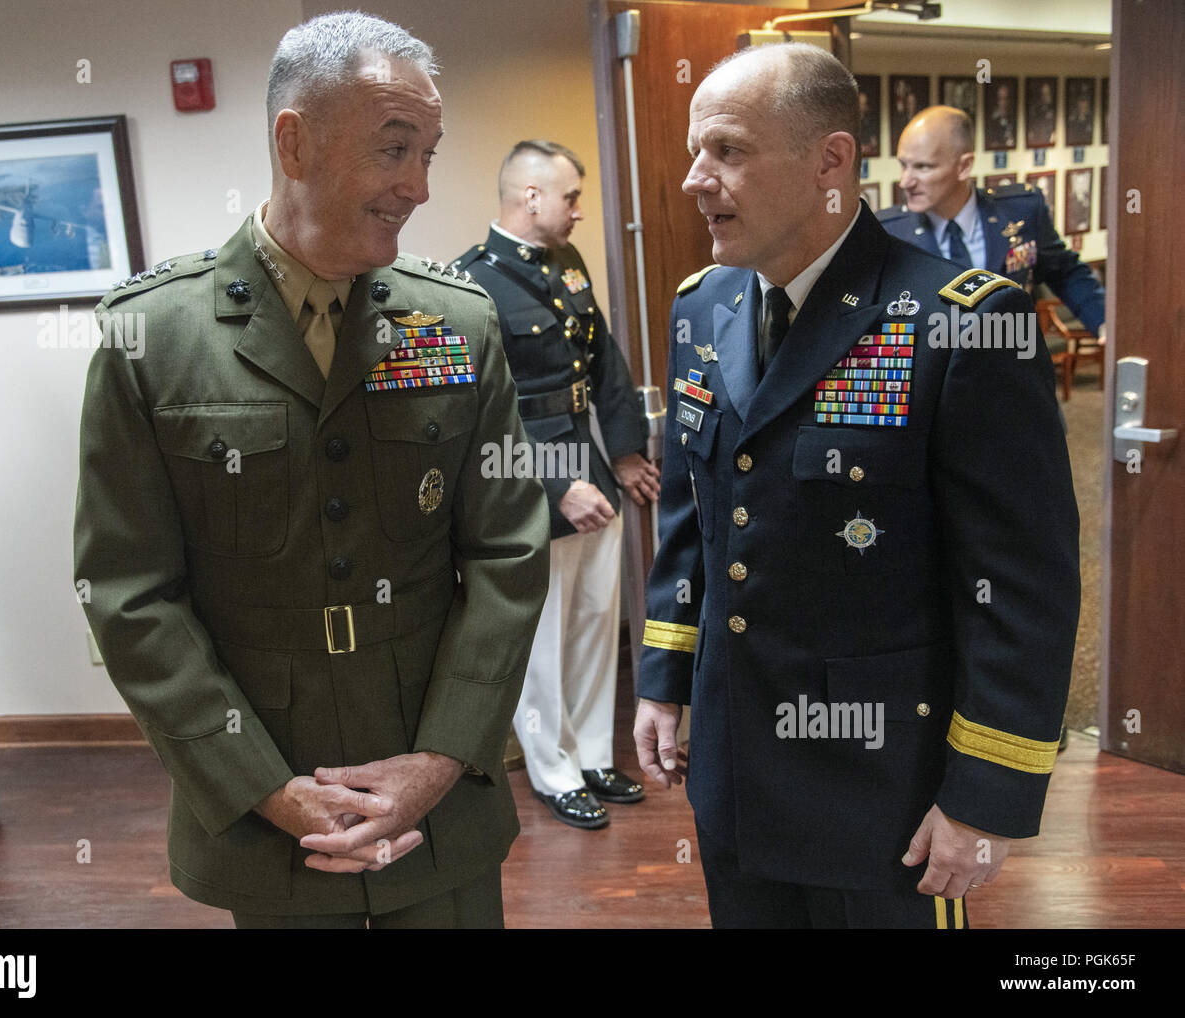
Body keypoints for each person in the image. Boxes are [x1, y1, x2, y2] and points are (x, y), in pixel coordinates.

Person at [73, 13, 550, 929]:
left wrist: (441, 759)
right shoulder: (154, 340)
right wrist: (265, 786)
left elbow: (508, 559)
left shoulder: (460, 325)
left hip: (439, 804)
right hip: (265, 809)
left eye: (429, 153)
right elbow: (128, 594)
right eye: (393, 149)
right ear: (293, 140)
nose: (417, 186)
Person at [633, 43, 1080, 929]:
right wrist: (663, 675)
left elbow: (1022, 584)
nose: (695, 179)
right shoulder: (702, 306)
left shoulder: (963, 321)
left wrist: (986, 796)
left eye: (726, 151)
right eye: (695, 152)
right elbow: (694, 513)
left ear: (830, 162)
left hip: (885, 790)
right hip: (733, 767)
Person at [453, 142, 658, 829]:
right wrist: (554, 484)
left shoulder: (566, 265)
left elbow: (604, 361)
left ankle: (595, 754)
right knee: (540, 637)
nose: (578, 210)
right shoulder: (470, 282)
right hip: (527, 484)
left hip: (592, 469)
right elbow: (478, 414)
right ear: (531, 197)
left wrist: (626, 453)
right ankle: (553, 769)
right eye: (570, 197)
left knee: (598, 621)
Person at [880, 106, 1106, 335]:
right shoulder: (889, 232)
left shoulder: (1020, 211)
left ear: (964, 166)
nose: (905, 181)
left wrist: (1104, 322)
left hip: (1011, 361)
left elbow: (1064, 272)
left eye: (922, 167)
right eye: (903, 165)